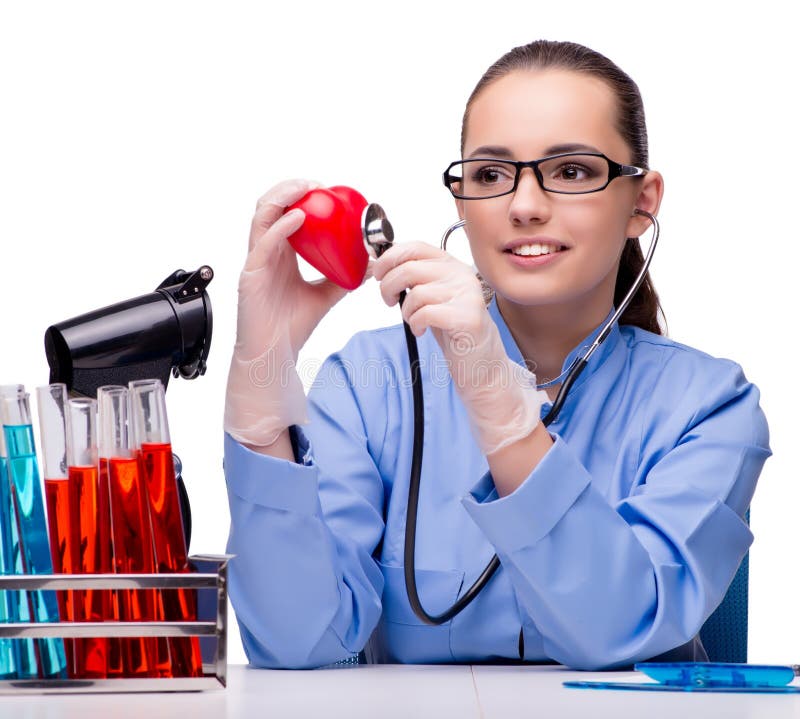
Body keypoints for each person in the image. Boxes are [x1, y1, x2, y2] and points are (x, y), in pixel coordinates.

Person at [223, 40, 771, 670]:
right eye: (490, 175)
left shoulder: (711, 406)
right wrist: (261, 390)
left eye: (571, 171)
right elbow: (298, 644)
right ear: (462, 203)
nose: (525, 206)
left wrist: (498, 405)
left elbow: (618, 628)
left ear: (641, 203)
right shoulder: (369, 386)